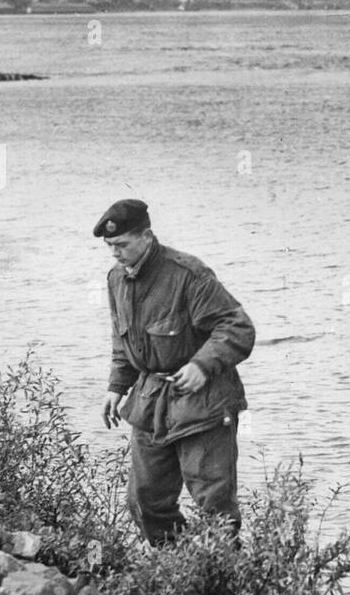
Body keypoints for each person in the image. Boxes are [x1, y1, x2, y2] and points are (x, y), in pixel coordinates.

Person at [95, 198, 255, 542]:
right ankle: (180, 575)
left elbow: (237, 326)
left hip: (204, 404)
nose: (114, 253)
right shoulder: (116, 279)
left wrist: (202, 364)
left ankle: (226, 585)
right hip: (150, 403)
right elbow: (122, 340)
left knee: (214, 507)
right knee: (144, 502)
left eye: (122, 245)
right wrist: (116, 386)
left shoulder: (188, 275)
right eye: (109, 246)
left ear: (147, 236)